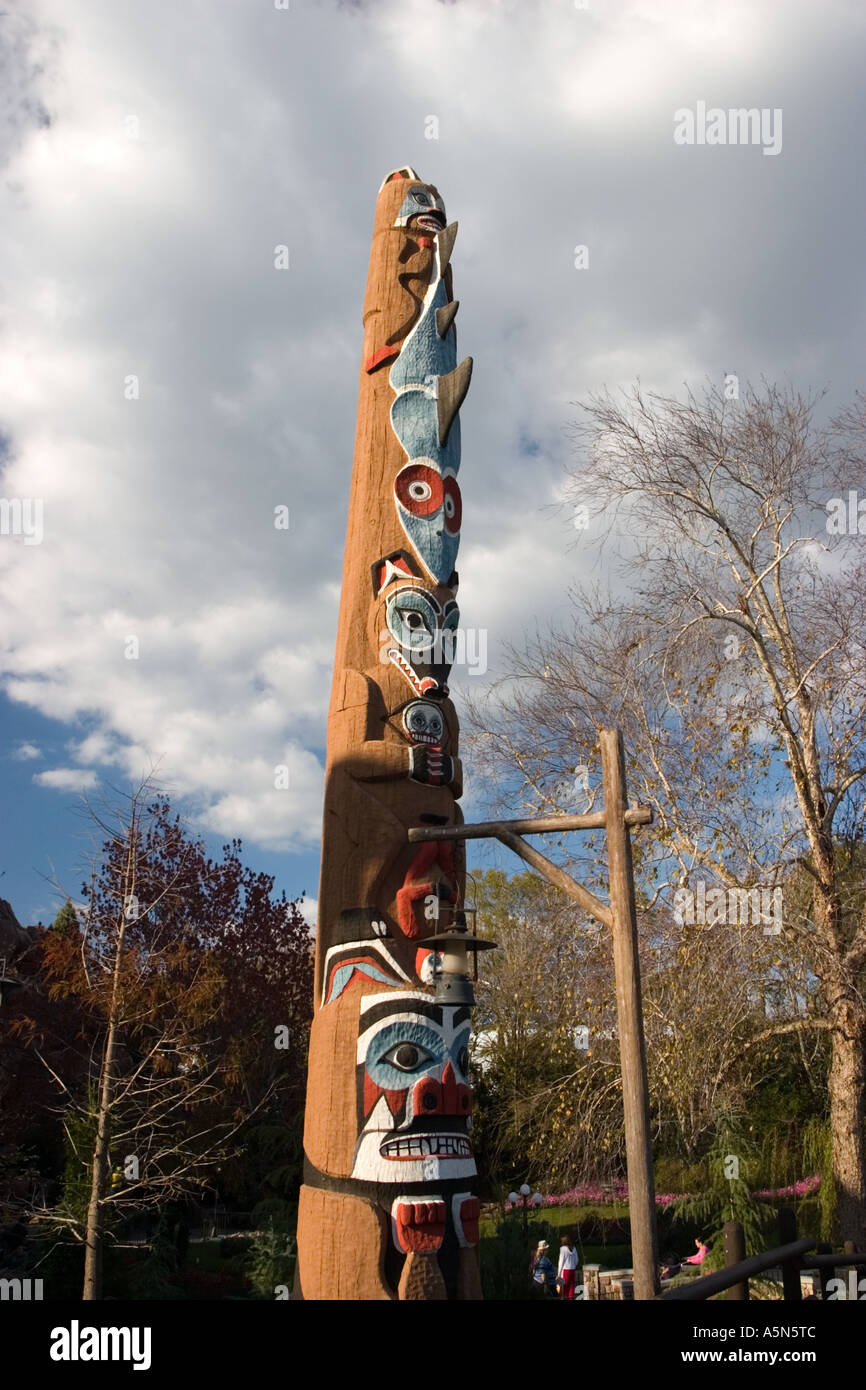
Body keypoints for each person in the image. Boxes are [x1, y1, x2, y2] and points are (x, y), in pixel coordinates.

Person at [557, 1233, 579, 1299]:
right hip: (572, 1270)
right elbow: (577, 1260)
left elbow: (561, 1262)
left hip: (565, 1270)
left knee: (565, 1287)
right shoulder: (574, 1248)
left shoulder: (563, 1249)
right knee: (571, 1286)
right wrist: (574, 1265)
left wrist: (559, 1273)